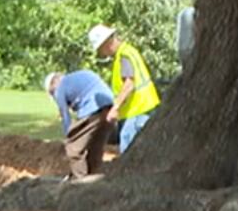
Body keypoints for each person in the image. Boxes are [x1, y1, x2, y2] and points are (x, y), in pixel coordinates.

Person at [88, 23, 160, 153]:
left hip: (137, 110)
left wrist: (115, 108)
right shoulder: (129, 51)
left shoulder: (124, 56)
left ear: (106, 43)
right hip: (145, 108)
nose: (102, 53)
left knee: (128, 150)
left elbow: (129, 84)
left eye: (100, 49)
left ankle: (131, 174)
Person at [44, 69, 113, 179]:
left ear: (53, 86)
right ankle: (94, 178)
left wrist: (69, 137)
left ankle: (80, 183)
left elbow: (65, 117)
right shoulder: (77, 77)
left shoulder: (60, 88)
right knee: (95, 147)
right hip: (110, 108)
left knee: (73, 149)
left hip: (93, 107)